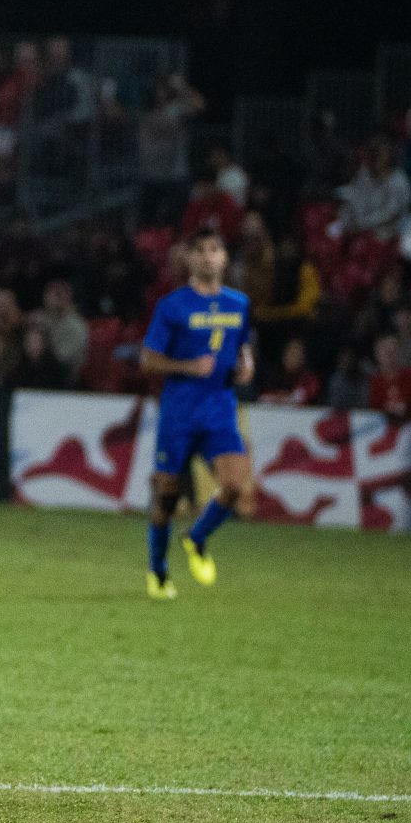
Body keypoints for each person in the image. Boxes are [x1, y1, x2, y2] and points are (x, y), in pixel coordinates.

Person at [139, 229, 253, 600]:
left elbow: (241, 343)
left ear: (225, 259)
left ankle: (197, 537)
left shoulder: (239, 304)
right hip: (180, 409)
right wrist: (189, 367)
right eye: (200, 250)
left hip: (219, 406)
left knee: (234, 484)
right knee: (167, 497)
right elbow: (149, 359)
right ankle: (157, 571)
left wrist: (246, 362)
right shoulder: (172, 306)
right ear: (189, 259)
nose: (208, 257)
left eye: (215, 249)